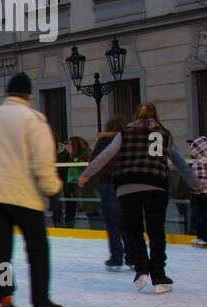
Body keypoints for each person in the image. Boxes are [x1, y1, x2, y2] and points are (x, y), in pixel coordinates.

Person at [0, 73, 64, 307]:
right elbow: (42, 160)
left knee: (1, 253)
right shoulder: (33, 119)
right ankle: (41, 299)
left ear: (8, 94)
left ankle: (5, 298)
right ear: (28, 95)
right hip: (23, 194)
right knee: (37, 250)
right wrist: (52, 189)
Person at [78, 102, 197, 293]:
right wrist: (195, 184)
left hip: (127, 186)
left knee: (133, 230)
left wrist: (87, 173)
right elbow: (179, 162)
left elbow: (106, 154)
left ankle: (141, 269)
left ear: (136, 115)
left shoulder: (125, 132)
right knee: (156, 232)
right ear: (155, 115)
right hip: (156, 185)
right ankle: (158, 275)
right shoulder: (163, 133)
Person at [91, 118, 128, 270]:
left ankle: (116, 257)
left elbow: (95, 161)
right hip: (126, 183)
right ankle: (133, 256)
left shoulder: (104, 141)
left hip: (109, 183)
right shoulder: (128, 139)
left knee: (112, 223)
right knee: (128, 222)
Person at [190, 134, 207, 248]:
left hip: (202, 193)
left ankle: (203, 237)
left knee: (202, 215)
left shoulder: (200, 162)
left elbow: (199, 179)